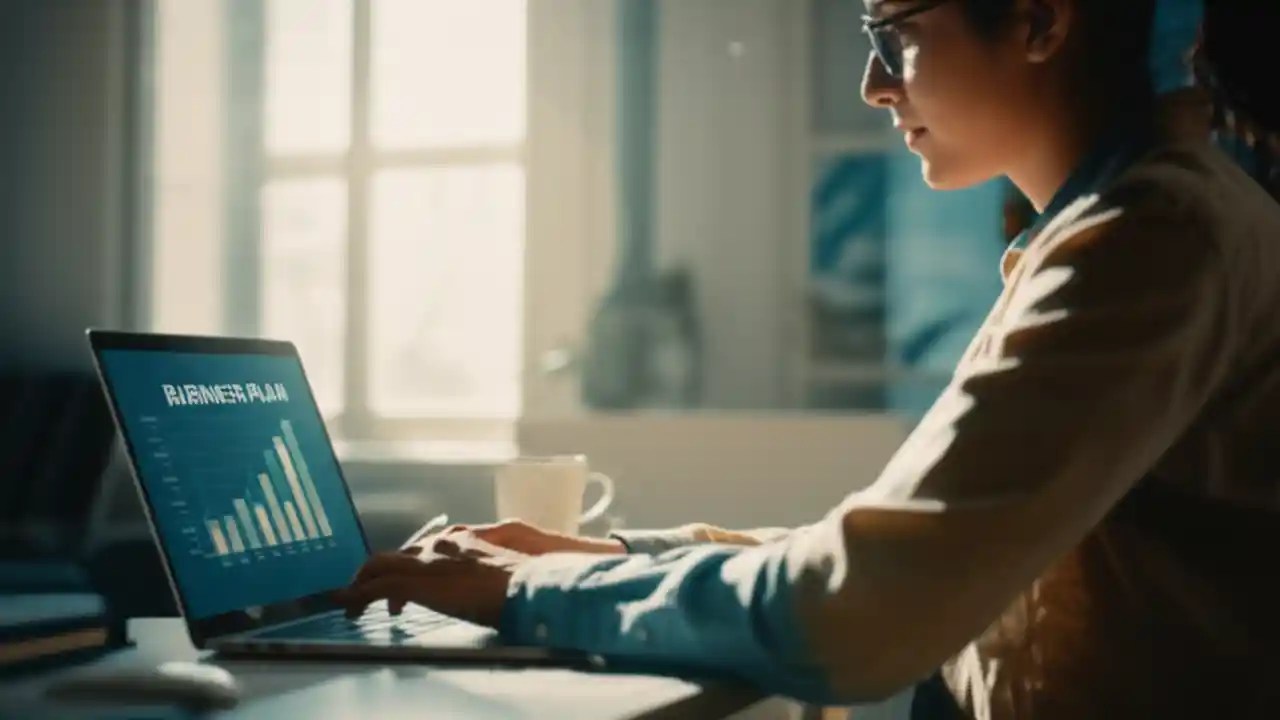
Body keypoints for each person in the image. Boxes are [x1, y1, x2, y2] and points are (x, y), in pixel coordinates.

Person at [337, 0, 1280, 716]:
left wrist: (528, 591)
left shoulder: (1152, 238)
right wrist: (609, 554)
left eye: (889, 34)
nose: (874, 86)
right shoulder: (1121, 227)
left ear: (1037, 20)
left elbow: (860, 613)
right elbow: (903, 557)